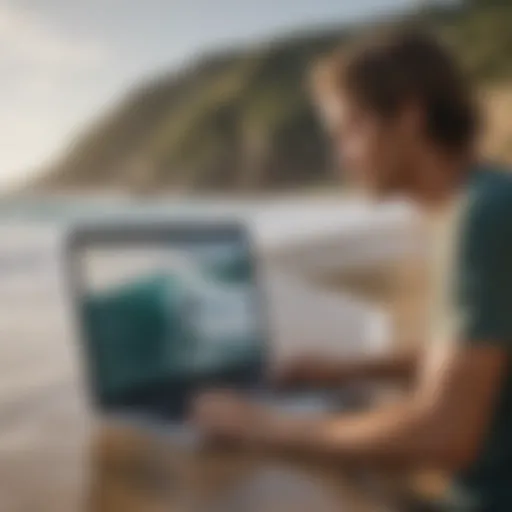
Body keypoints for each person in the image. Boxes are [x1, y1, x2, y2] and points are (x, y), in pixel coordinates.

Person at [192, 30, 512, 511]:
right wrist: (346, 369)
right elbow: (473, 354)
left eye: (350, 129)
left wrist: (261, 425)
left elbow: (446, 435)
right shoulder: (476, 201)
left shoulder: (486, 214)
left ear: (409, 116)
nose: (342, 156)